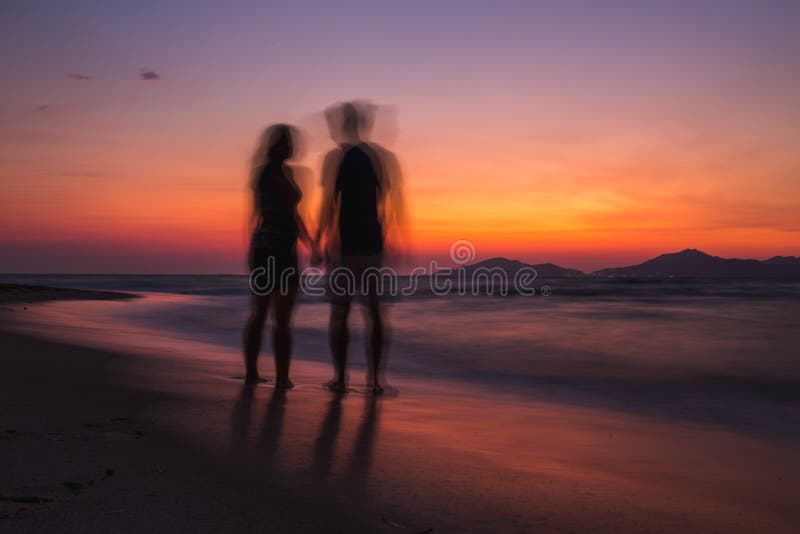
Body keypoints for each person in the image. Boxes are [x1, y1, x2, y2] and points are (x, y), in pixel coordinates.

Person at [313, 102, 405, 394]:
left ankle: (342, 378)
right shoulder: (377, 157)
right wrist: (393, 236)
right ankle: (374, 380)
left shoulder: (337, 158)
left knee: (342, 312)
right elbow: (388, 202)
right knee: (373, 312)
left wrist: (319, 240)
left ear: (343, 126)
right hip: (371, 242)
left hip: (348, 244)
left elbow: (329, 203)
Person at [243, 124, 315, 388]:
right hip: (270, 250)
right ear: (275, 146)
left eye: (290, 143)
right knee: (263, 314)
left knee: (280, 318)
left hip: (284, 248)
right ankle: (256, 374)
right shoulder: (267, 174)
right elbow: (269, 213)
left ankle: (281, 377)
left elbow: (294, 215)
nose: (290, 147)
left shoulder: (285, 172)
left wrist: (311, 243)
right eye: (285, 143)